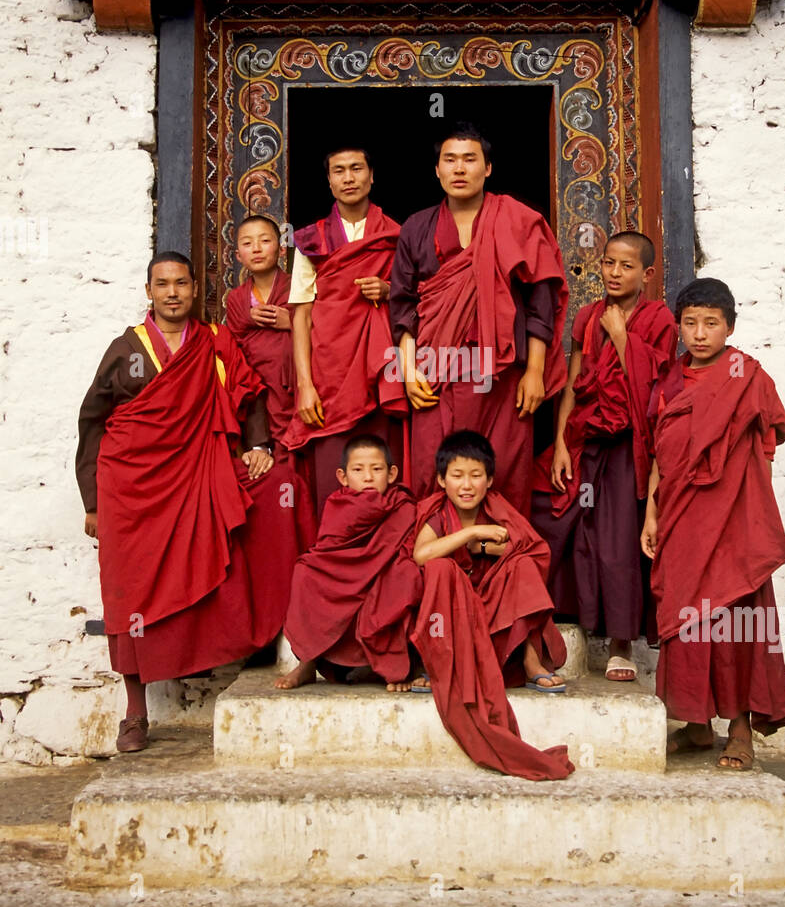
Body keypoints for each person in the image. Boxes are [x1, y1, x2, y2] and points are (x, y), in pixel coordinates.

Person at [76, 252, 311, 753]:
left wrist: (257, 447)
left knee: (279, 493)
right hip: (134, 487)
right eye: (163, 285)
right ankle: (135, 713)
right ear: (149, 292)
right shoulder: (126, 350)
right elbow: (93, 421)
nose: (173, 293)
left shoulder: (216, 343)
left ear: (193, 288)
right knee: (129, 590)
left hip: (198, 471)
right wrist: (93, 501)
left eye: (182, 283)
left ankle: (272, 636)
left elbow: (248, 396)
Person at [641, 278, 785, 770]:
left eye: (711, 323)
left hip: (733, 524)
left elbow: (766, 444)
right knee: (686, 618)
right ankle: (695, 724)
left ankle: (741, 730)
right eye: (690, 323)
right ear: (679, 326)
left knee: (735, 622)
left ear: (730, 326)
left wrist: (751, 518)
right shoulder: (670, 380)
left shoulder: (746, 375)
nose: (700, 333)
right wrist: (651, 511)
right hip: (682, 518)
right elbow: (660, 453)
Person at [389, 123, 568, 512]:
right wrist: (407, 368)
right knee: (430, 468)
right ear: (436, 169)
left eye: (470, 159)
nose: (459, 169)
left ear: (488, 168)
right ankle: (438, 561)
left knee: (503, 470)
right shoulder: (417, 227)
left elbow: (541, 299)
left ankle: (504, 563)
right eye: (449, 160)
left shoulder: (517, 220)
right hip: (435, 371)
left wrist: (535, 371)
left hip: (501, 375)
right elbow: (402, 304)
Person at [531, 232, 677, 682]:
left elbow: (656, 390)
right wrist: (559, 444)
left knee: (617, 541)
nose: (614, 273)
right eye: (609, 263)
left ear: (647, 274)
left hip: (629, 444)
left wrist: (621, 340)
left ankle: (620, 643)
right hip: (586, 438)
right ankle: (562, 619)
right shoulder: (590, 316)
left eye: (626, 266)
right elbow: (575, 382)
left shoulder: (660, 321)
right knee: (550, 513)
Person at [410, 431, 574, 781]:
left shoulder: (496, 508)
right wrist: (471, 535)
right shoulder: (437, 513)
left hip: (489, 610)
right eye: (456, 476)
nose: (466, 485)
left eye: (475, 475)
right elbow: (421, 554)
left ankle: (530, 660)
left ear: (490, 480)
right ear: (441, 480)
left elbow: (526, 548)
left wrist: (482, 547)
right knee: (439, 569)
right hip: (452, 616)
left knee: (523, 566)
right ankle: (435, 662)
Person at [281, 145, 407, 514]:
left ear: (372, 176)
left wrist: (390, 292)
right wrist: (305, 386)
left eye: (356, 169)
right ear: (330, 181)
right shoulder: (310, 241)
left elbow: (423, 302)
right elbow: (300, 316)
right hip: (328, 375)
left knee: (382, 471)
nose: (349, 178)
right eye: (339, 171)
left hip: (378, 371)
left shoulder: (398, 236)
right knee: (331, 471)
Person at [276, 434, 421, 693]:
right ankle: (307, 663)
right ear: (343, 477)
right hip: (343, 572)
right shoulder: (338, 503)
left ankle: (393, 666)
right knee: (306, 570)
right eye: (358, 470)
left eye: (376, 469)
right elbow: (329, 550)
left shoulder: (402, 505)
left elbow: (408, 547)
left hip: (383, 571)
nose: (367, 477)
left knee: (406, 575)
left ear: (392, 473)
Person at [225, 215, 297, 446]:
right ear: (238, 256)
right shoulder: (236, 299)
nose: (256, 249)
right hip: (256, 388)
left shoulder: (299, 289)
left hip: (294, 386)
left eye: (265, 241)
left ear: (282, 249)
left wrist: (294, 321)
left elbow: (327, 330)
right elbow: (234, 352)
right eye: (247, 243)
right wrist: (247, 317)